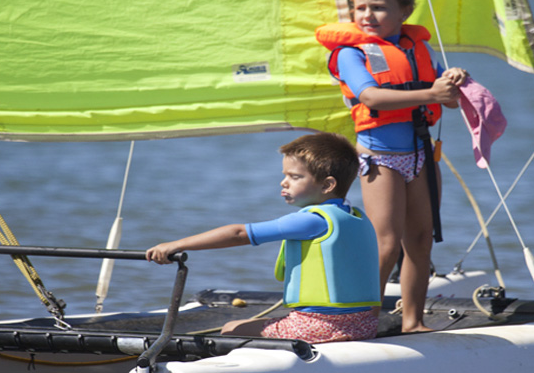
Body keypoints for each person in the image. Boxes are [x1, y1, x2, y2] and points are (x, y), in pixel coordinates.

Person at [314, 0, 468, 333]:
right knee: (386, 245)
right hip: (379, 158)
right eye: (360, 7)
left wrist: (454, 80)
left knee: (421, 241)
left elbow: (449, 101)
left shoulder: (419, 48)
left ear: (404, 11)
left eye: (379, 8)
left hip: (422, 155)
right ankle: (361, 321)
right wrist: (432, 93)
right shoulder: (350, 53)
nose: (367, 15)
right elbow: (371, 97)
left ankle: (413, 322)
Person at [145, 132, 381, 344]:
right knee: (256, 324)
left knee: (231, 329)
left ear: (327, 185)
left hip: (320, 325)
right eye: (284, 175)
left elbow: (239, 234)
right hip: (364, 324)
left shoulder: (312, 220)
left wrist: (176, 244)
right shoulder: (355, 216)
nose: (283, 182)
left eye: (295, 176)